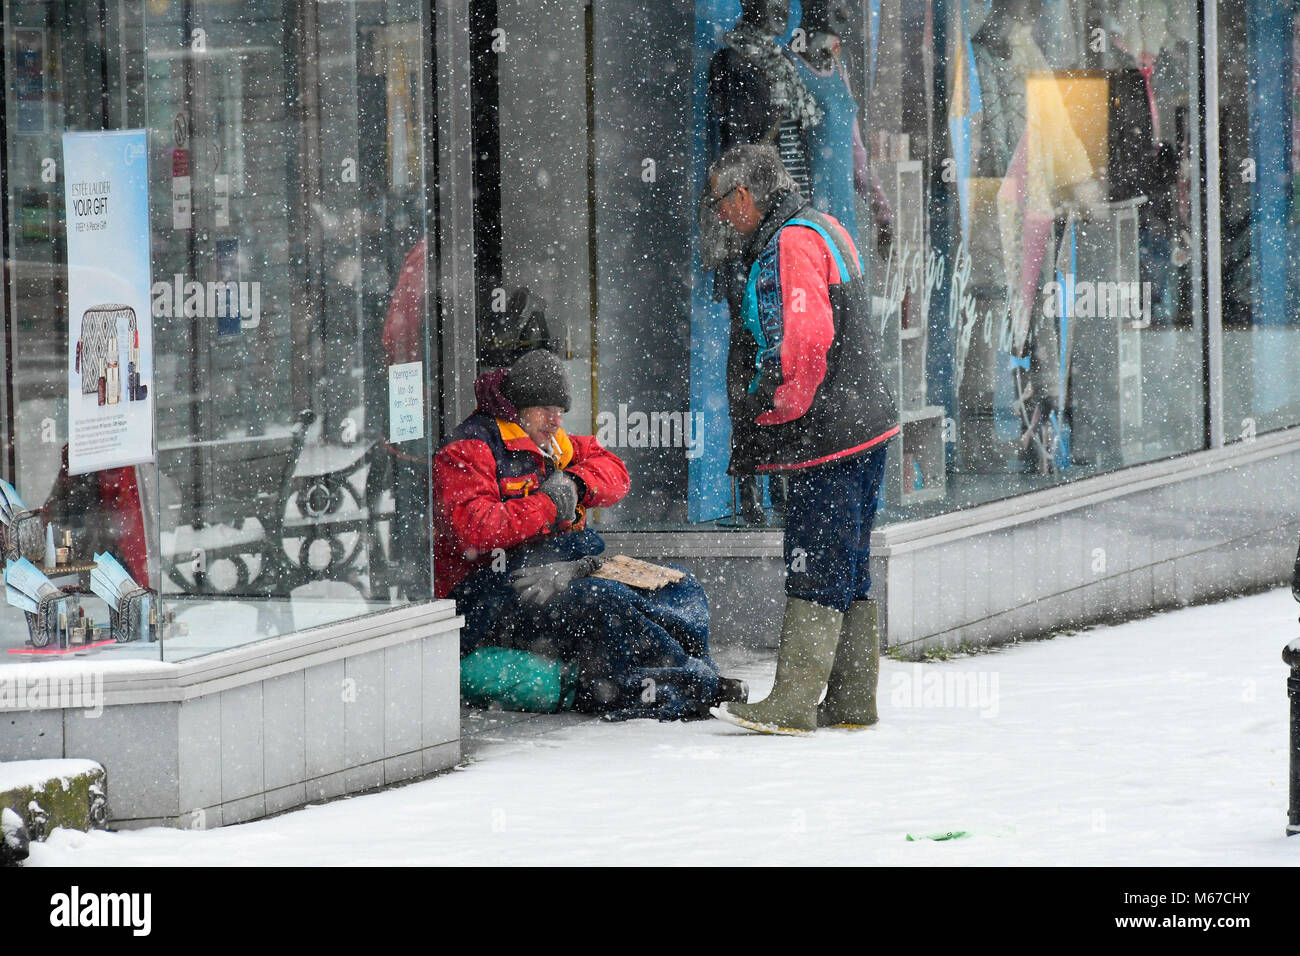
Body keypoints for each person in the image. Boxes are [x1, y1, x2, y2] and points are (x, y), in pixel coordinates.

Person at [434, 347, 748, 720]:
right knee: (607, 602)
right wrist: (548, 506)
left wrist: (576, 483)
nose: (555, 421)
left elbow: (616, 471)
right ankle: (681, 684)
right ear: (520, 407)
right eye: (546, 410)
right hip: (490, 595)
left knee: (676, 587)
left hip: (558, 569)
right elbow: (476, 529)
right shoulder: (470, 448)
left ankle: (699, 670)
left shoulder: (553, 444)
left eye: (561, 412)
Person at [706, 144, 898, 736]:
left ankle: (792, 702)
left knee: (813, 558)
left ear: (743, 197)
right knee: (851, 561)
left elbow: (806, 343)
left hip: (827, 437)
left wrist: (776, 411)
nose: (718, 218)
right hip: (868, 425)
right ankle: (851, 700)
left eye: (719, 204)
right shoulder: (826, 224)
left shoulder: (787, 242)